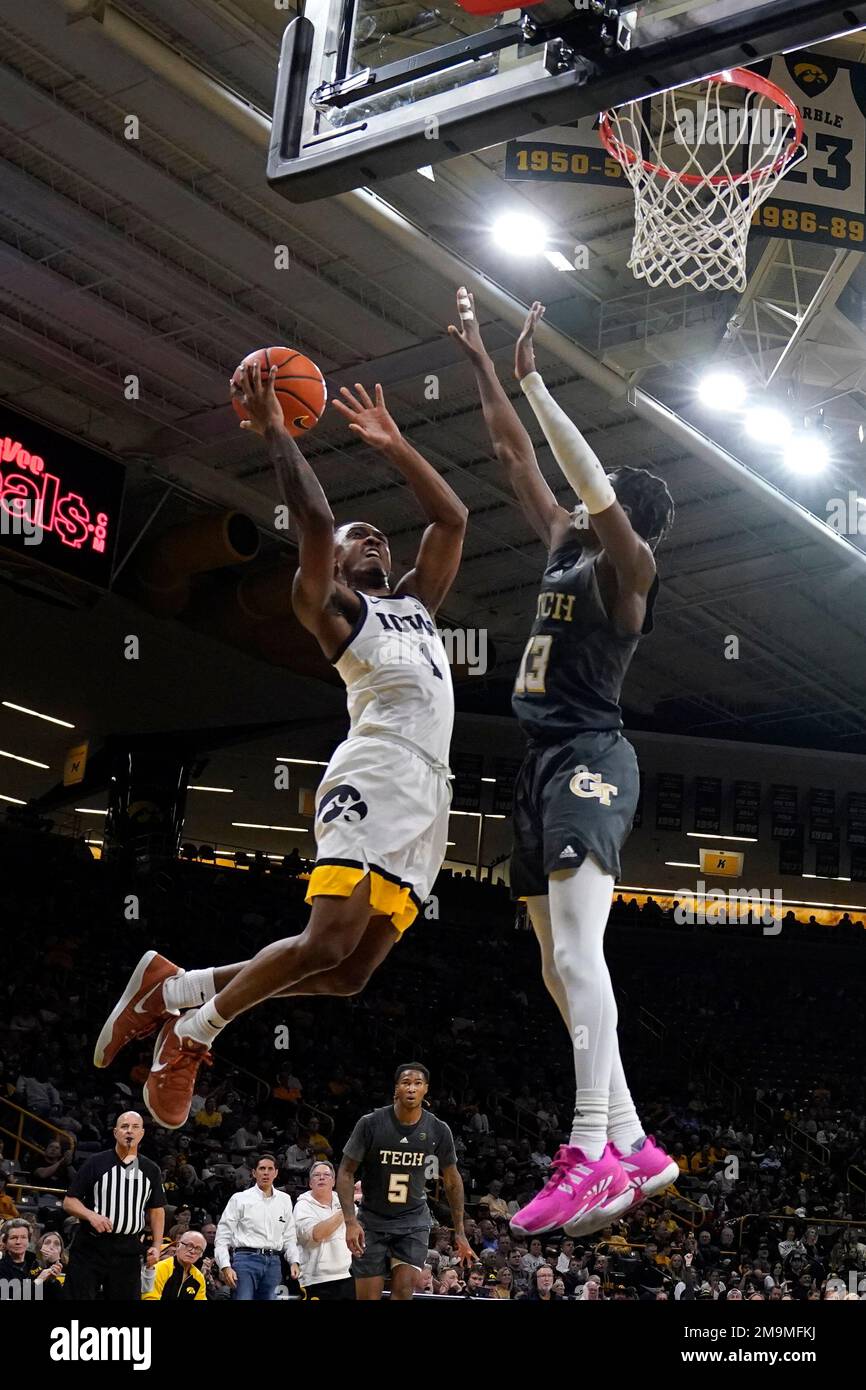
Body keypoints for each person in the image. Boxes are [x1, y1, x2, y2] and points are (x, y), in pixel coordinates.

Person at [94, 365, 469, 1131]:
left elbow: (453, 519)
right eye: (357, 538)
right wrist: (274, 431)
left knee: (350, 971)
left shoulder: (417, 607)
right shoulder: (331, 608)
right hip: (376, 768)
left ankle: (171, 990)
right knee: (323, 938)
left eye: (379, 538)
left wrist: (397, 444)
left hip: (431, 798)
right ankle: (191, 1034)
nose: (373, 541)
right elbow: (312, 515)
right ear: (330, 562)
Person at [452, 290, 677, 1237]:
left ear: (625, 515)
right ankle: (637, 1141)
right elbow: (513, 460)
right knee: (552, 961)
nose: (581, 507)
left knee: (580, 949)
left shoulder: (629, 571)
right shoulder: (562, 545)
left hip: (593, 756)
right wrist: (478, 363)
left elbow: (581, 479)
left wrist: (540, 382)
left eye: (600, 501)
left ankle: (590, 1149)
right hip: (539, 764)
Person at [336, 1063, 473, 1301]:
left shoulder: (438, 1129)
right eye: (406, 1083)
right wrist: (350, 1221)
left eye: (417, 1084)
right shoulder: (370, 1123)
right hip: (372, 1219)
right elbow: (346, 1172)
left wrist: (459, 1231)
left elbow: (452, 1180)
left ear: (425, 1089)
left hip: (413, 1221)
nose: (411, 1088)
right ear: (396, 1088)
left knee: (403, 1294)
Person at [61, 1111, 164, 1301]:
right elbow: (69, 1201)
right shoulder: (96, 1162)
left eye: (135, 1127)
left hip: (129, 1248)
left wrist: (157, 1245)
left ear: (142, 1133)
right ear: (115, 1132)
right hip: (92, 1245)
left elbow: (157, 1210)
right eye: (124, 1127)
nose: (129, 1131)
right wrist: (91, 1215)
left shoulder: (151, 1170)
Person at [214, 1154, 299, 1301]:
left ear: (276, 1173)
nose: (266, 1172)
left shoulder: (285, 1200)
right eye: (262, 1168)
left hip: (274, 1262)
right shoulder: (239, 1198)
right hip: (245, 1260)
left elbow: (289, 1236)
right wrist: (225, 1266)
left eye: (270, 1169)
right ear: (254, 1173)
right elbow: (222, 1236)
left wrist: (294, 1261)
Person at [294, 1160, 354, 1300]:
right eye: (316, 1175)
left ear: (333, 1182)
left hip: (347, 1275)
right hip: (316, 1279)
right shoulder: (302, 1206)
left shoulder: (343, 1201)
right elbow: (317, 1234)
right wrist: (346, 1208)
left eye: (326, 1175)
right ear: (310, 1183)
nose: (321, 1177)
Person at [0, 1219, 63, 1294]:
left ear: (28, 1241)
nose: (18, 1242)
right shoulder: (2, 1268)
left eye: (23, 1237)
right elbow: (12, 1295)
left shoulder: (37, 1263)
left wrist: (52, 1281)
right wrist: (39, 1280)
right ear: (5, 1242)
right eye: (13, 1238)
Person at [142, 1230, 207, 1301]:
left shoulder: (199, 1278)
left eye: (198, 1249)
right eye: (189, 1245)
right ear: (178, 1245)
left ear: (201, 1254)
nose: (192, 1251)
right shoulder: (161, 1268)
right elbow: (149, 1297)